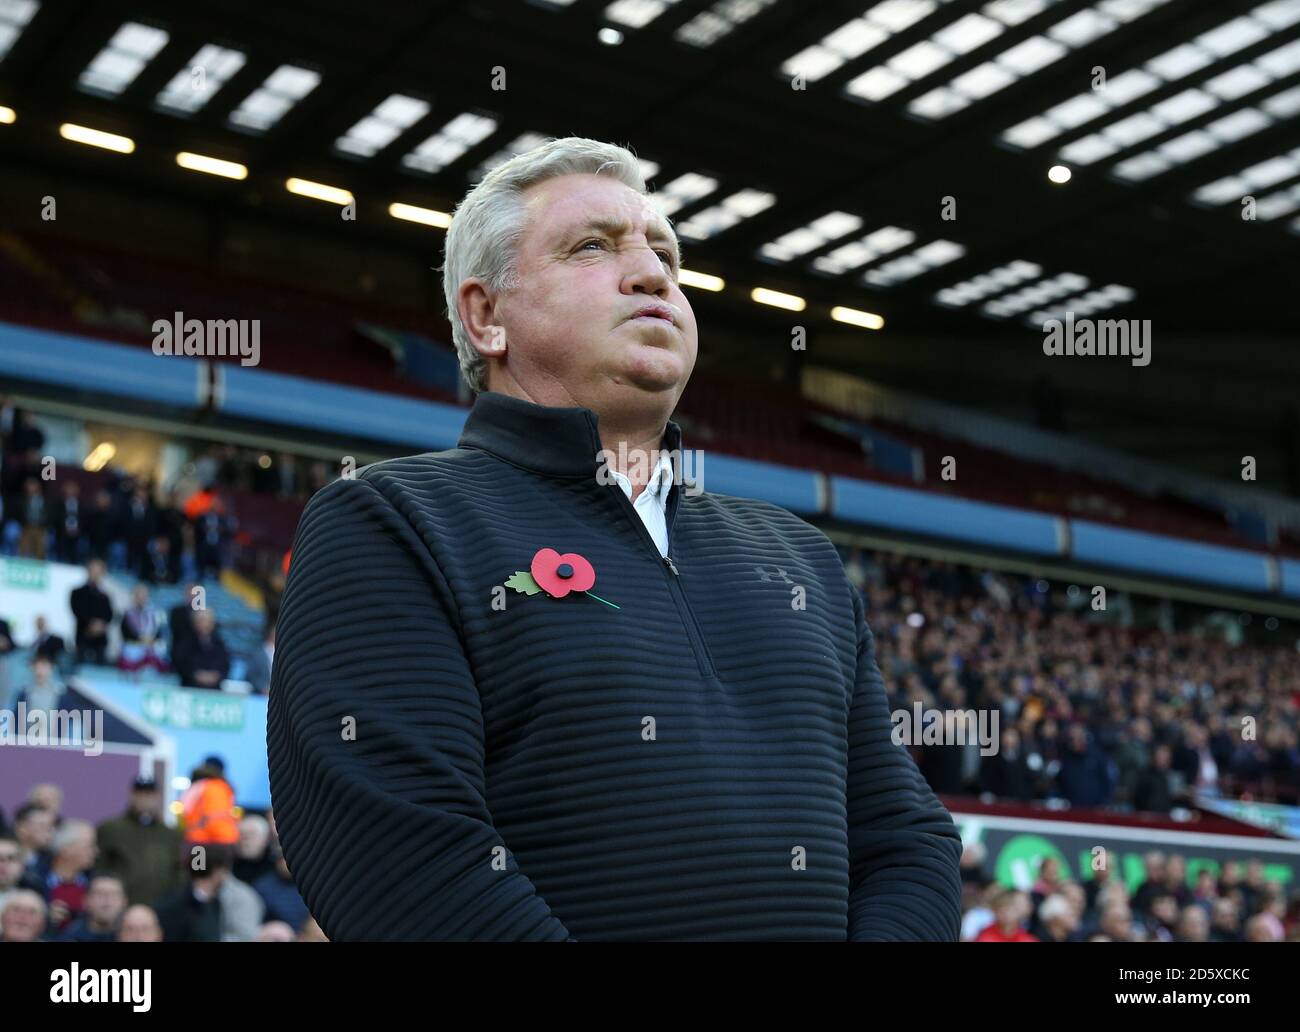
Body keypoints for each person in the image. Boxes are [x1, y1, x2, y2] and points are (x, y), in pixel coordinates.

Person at [268, 137, 961, 941]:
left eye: (664, 251)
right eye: (592, 246)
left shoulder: (799, 555)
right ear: (486, 315)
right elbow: (402, 857)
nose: (652, 272)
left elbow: (906, 842)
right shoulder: (388, 521)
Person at [95, 776, 184, 908]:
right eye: (140, 793)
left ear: (157, 797)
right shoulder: (110, 829)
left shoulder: (170, 835)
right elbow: (99, 867)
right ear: (131, 795)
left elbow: (178, 872)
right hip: (121, 907)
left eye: (149, 794)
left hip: (161, 909)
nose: (144, 799)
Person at [69, 559, 113, 665]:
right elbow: (77, 610)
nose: (96, 575)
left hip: (100, 639)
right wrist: (91, 624)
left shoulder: (105, 596)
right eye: (94, 571)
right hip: (83, 635)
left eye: (99, 572)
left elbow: (109, 614)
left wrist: (101, 625)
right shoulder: (77, 592)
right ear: (88, 572)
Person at [56, 875, 126, 942]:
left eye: (114, 894)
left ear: (124, 902)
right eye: (100, 894)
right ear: (85, 901)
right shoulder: (69, 937)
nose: (107, 899)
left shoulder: (132, 936)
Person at [172, 609, 229, 689]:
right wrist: (195, 675)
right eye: (201, 620)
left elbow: (225, 665)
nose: (204, 624)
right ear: (194, 622)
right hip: (190, 687)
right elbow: (180, 664)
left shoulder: (219, 644)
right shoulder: (185, 643)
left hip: (214, 689)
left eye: (207, 621)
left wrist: (215, 676)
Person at [119, 583, 167, 673]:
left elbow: (159, 632)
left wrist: (150, 639)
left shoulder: (154, 613)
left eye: (144, 595)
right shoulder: (127, 612)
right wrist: (141, 639)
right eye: (139, 595)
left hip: (150, 646)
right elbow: (125, 632)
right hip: (133, 647)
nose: (141, 598)